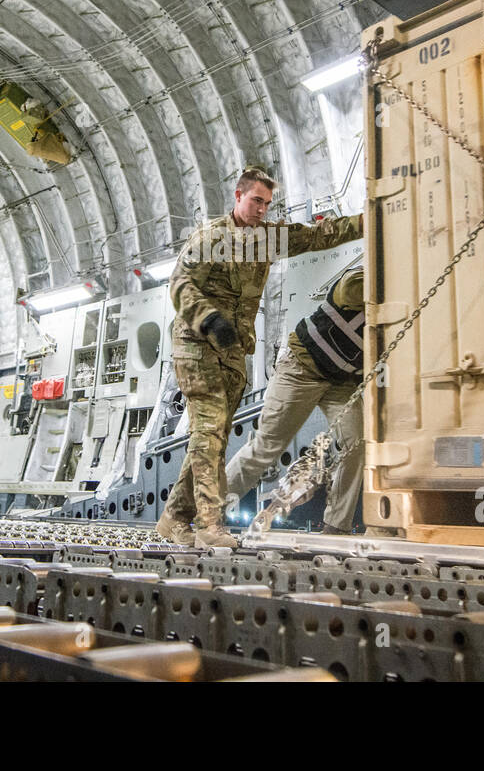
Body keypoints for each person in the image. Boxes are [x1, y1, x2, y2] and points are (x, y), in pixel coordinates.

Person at [155, 166, 362, 547]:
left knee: (210, 436)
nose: (261, 210)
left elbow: (317, 235)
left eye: (267, 203)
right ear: (238, 196)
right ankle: (209, 526)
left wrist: (369, 220)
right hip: (198, 347)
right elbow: (179, 284)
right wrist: (209, 320)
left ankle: (173, 518)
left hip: (233, 353)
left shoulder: (266, 239)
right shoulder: (212, 238)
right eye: (256, 201)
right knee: (209, 437)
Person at [225, 268, 365, 534]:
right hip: (300, 368)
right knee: (266, 447)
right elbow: (359, 288)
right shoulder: (356, 282)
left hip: (341, 382)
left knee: (356, 443)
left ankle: (337, 525)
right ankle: (209, 513)